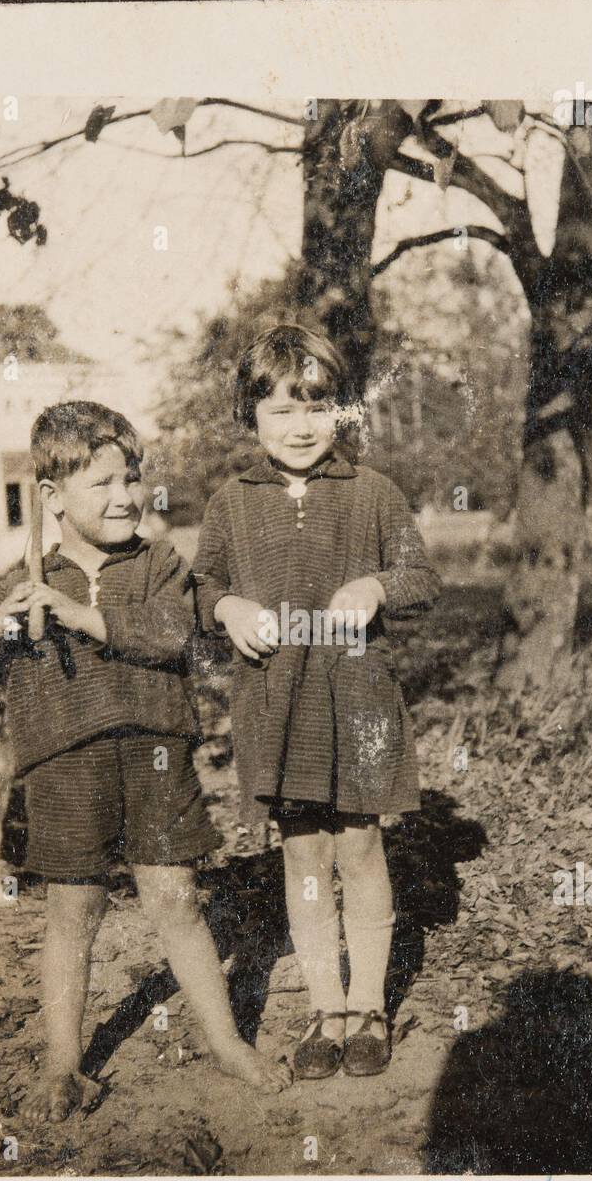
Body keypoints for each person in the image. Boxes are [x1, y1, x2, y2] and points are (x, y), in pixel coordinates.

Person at [0, 401, 291, 1121]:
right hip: (64, 766)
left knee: (176, 899)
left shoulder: (159, 561)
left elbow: (170, 633)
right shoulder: (29, 578)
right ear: (51, 498)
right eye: (102, 483)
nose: (125, 496)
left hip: (154, 753)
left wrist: (83, 619)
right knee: (74, 909)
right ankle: (63, 1064)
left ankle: (226, 1042)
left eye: (130, 478)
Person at [192, 326, 441, 1080]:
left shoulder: (372, 493)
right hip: (277, 703)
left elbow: (421, 577)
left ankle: (369, 1005)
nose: (301, 427)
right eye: (280, 411)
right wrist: (229, 608)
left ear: (340, 411)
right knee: (302, 852)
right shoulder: (230, 504)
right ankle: (325, 1010)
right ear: (250, 416)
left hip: (357, 700)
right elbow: (200, 586)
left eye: (317, 406)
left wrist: (375, 586)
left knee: (360, 845)